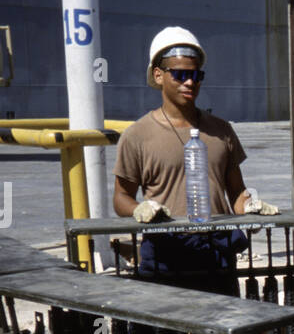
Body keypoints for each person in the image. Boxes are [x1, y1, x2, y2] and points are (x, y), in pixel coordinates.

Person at [112, 26, 276, 290]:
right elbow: (121, 197)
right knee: (166, 330)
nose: (190, 82)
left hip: (216, 251)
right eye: (180, 74)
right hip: (165, 253)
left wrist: (251, 206)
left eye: (196, 75)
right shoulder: (137, 135)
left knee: (222, 327)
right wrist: (138, 209)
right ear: (158, 75)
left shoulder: (221, 131)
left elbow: (236, 192)